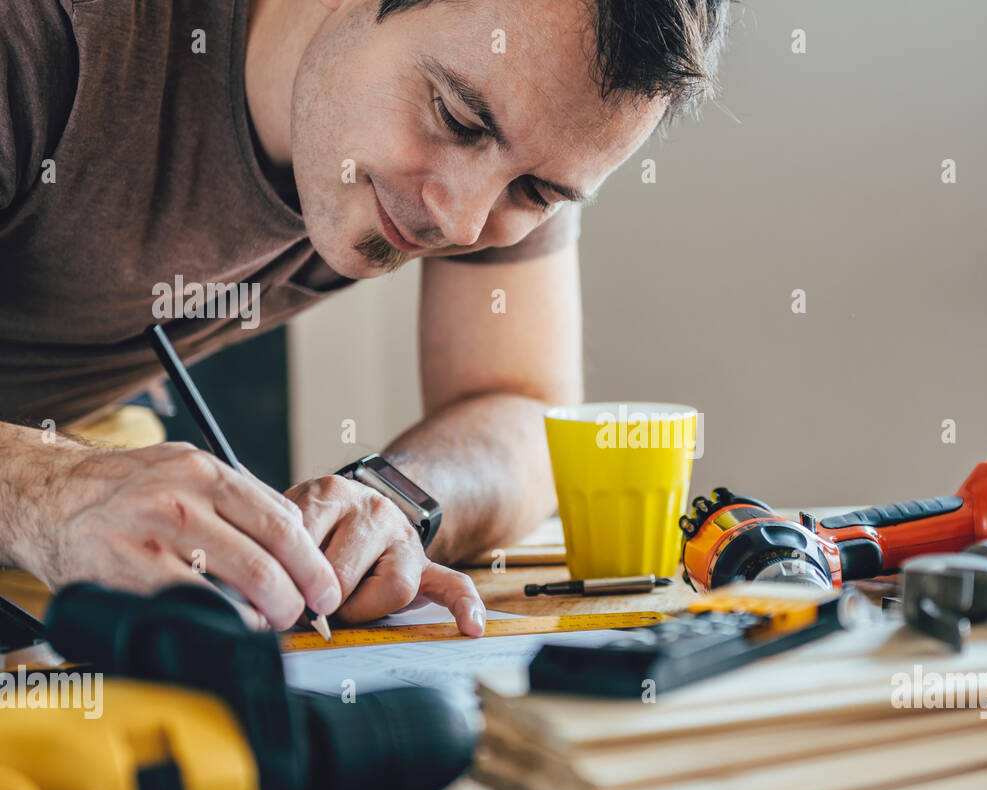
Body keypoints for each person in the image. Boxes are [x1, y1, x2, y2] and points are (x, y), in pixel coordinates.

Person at [0, 0, 730, 633]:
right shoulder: (37, 31)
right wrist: (49, 490)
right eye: (456, 117)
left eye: (536, 192)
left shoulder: (528, 113)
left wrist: (391, 503)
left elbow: (520, 407)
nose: (464, 219)